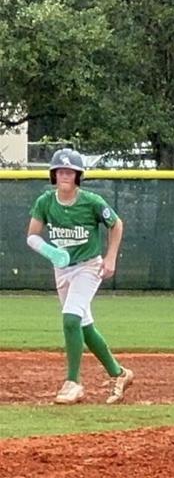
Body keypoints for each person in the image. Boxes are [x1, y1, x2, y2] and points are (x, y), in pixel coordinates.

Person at [26, 148, 134, 405]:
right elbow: (31, 236)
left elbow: (116, 224)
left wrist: (110, 258)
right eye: (61, 171)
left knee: (70, 318)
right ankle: (119, 374)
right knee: (83, 326)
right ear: (54, 174)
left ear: (78, 176)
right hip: (62, 269)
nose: (65, 175)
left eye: (70, 171)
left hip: (88, 266)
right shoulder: (45, 202)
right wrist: (51, 251)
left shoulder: (92, 201)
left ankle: (73, 383)